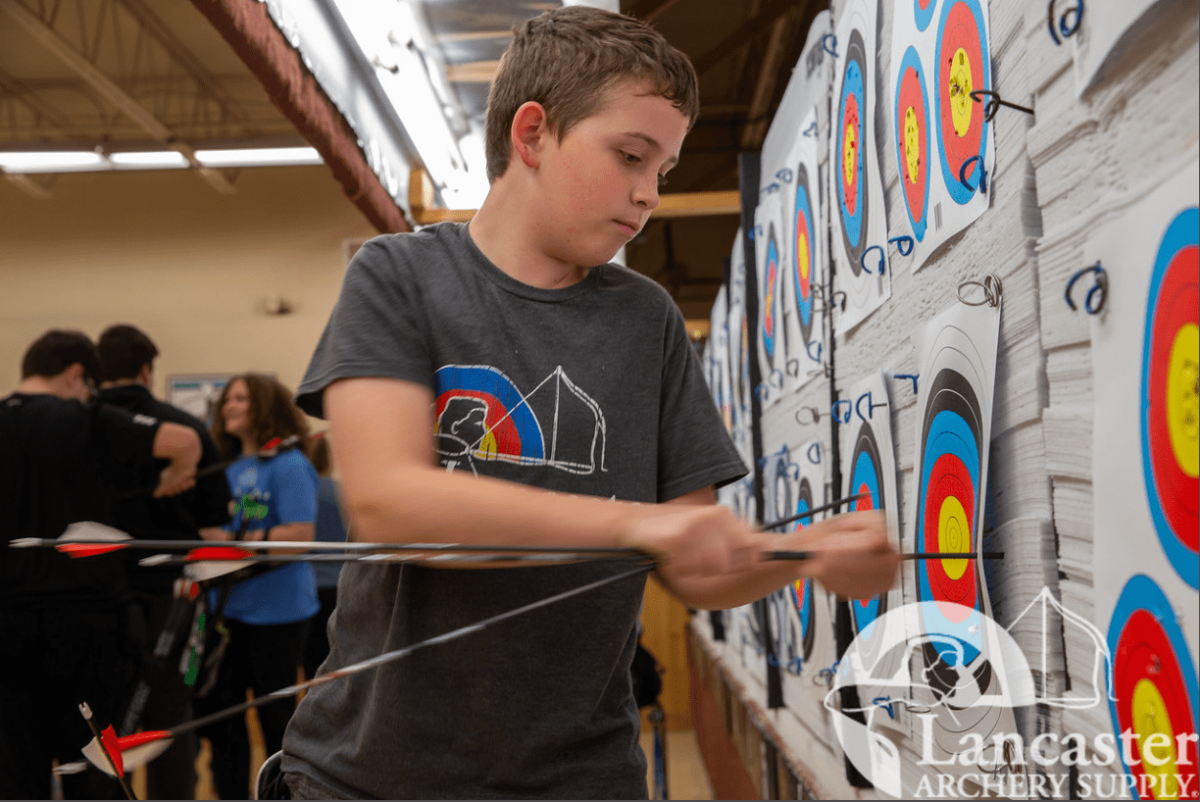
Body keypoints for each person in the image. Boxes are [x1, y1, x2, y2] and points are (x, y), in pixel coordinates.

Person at [281, 7, 898, 799]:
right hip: (369, 775)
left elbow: (694, 563)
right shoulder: (398, 276)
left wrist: (805, 558)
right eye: (630, 156)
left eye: (663, 173)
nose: (647, 195)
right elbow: (387, 503)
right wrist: (637, 523)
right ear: (532, 135)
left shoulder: (647, 320)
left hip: (584, 775)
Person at [0, 329, 200, 800]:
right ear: (75, 374)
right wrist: (166, 481)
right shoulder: (86, 420)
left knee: (14, 770)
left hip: (6, 626)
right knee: (94, 769)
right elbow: (185, 442)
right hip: (87, 628)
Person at [96, 323, 232, 800]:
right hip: (173, 599)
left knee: (103, 714)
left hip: (98, 597)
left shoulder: (81, 427)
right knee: (170, 717)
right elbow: (217, 532)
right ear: (147, 371)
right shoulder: (186, 425)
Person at [197, 372, 319, 800]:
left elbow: (298, 538)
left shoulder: (288, 463)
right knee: (224, 724)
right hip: (225, 613)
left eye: (240, 399)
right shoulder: (227, 466)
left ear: (264, 406)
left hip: (276, 614)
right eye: (226, 399)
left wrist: (235, 543)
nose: (228, 406)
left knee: (275, 722)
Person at [301, 436, 348, 680]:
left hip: (308, 586)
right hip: (339, 586)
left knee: (312, 662)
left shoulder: (303, 490)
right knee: (337, 659)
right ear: (331, 459)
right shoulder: (344, 492)